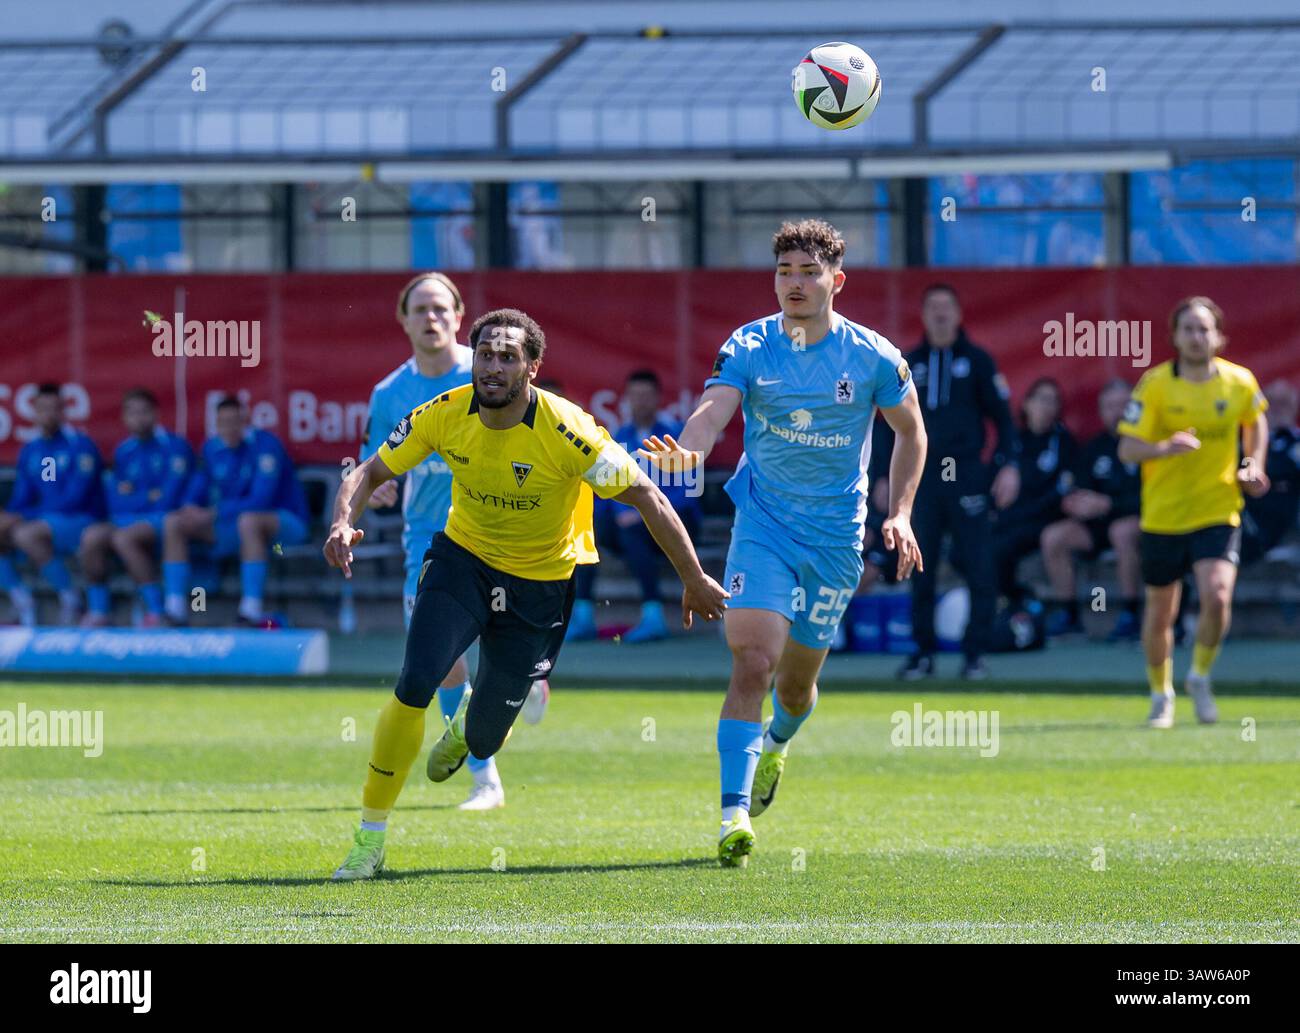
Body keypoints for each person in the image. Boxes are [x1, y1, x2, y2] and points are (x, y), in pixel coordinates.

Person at [325, 308, 728, 880]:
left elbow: (647, 495)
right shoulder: (442, 413)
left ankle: (471, 724)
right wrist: (343, 522)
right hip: (463, 563)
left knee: (485, 738)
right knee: (415, 683)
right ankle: (370, 838)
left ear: (532, 368)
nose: (493, 367)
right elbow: (368, 472)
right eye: (485, 355)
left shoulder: (570, 430)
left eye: (508, 357)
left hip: (540, 585)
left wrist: (693, 576)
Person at [641, 219, 926, 867]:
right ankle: (733, 814)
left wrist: (902, 512)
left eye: (808, 273)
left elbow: (912, 433)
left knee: (795, 690)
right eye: (784, 272)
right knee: (752, 661)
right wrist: (689, 451)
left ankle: (777, 742)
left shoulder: (874, 356)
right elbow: (713, 410)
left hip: (836, 540)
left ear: (836, 281)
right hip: (763, 525)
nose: (794, 284)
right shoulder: (749, 344)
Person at [361, 271, 544, 812]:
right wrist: (376, 490)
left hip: (503, 536)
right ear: (403, 320)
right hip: (431, 542)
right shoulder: (389, 394)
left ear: (460, 316)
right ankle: (485, 778)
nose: (431, 317)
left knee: (502, 654)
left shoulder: (490, 371)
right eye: (420, 308)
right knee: (442, 661)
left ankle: (522, 677)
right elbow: (373, 466)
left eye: (441, 307)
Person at [1116, 296, 1269, 728]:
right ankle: (1160, 694)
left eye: (1204, 329)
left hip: (1218, 508)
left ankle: (1199, 676)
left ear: (1219, 336)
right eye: (1188, 329)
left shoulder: (1239, 382)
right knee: (1160, 612)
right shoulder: (1155, 385)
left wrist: (1253, 463)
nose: (1197, 337)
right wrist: (1165, 447)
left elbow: (1256, 420)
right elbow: (1127, 448)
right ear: (1175, 337)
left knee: (1217, 596)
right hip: (1164, 516)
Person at [873, 284, 1020, 680]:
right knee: (918, 563)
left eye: (947, 307)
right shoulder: (908, 363)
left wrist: (1008, 467)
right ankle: (922, 654)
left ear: (958, 314)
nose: (940, 314)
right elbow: (887, 426)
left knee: (979, 565)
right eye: (933, 307)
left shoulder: (978, 361)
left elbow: (1004, 420)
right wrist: (883, 476)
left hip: (966, 475)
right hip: (919, 477)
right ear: (923, 315)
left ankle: (975, 655)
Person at [569, 369, 702, 644]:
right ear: (627, 400)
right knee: (591, 527)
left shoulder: (676, 434)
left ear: (658, 398)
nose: (641, 402)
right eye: (635, 396)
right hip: (629, 527)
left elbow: (689, 493)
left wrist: (643, 513)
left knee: (632, 530)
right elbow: (603, 490)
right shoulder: (618, 436)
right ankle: (582, 615)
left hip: (679, 524)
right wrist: (622, 513)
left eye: (646, 396)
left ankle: (654, 617)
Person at [162, 395, 309, 626]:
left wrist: (213, 513)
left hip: (284, 530)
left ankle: (250, 611)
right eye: (223, 422)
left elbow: (261, 500)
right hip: (232, 524)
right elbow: (199, 485)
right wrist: (190, 507)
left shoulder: (266, 446)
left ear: (245, 421)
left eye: (234, 422)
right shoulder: (212, 448)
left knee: (249, 522)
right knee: (174, 522)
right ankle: (174, 611)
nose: (229, 428)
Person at [77, 388, 194, 627]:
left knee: (123, 539)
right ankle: (99, 611)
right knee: (91, 537)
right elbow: (115, 501)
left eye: (144, 412)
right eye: (132, 413)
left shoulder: (175, 446)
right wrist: (148, 495)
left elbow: (168, 499)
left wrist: (136, 496)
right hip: (126, 518)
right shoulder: (124, 451)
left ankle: (157, 611)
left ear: (156, 414)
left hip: (162, 520)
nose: (139, 418)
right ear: (124, 418)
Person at [1039, 379, 1143, 640]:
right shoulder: (1094, 448)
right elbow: (1077, 488)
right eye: (1110, 406)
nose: (1118, 412)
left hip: (1139, 522)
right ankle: (1069, 616)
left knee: (1121, 532)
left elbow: (1156, 497)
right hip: (1097, 526)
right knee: (1053, 537)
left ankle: (1131, 614)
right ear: (1101, 411)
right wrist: (1077, 504)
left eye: (1124, 405)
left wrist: (1110, 504)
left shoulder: (1148, 444)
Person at [0, 383, 105, 626]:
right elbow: (23, 496)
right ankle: (21, 600)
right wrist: (10, 514)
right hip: (45, 519)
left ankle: (71, 599)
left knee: (26, 534)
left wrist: (26, 516)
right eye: (42, 409)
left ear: (63, 411)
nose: (48, 414)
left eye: (53, 408)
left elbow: (75, 498)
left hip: (80, 519)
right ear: (34, 413)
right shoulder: (32, 450)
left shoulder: (80, 445)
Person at [991, 377, 1078, 607]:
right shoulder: (1012, 441)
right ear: (1027, 404)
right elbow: (992, 482)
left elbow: (1062, 491)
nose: (1047, 407)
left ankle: (1017, 601)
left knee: (999, 549)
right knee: (964, 549)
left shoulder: (1063, 442)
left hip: (1041, 520)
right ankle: (1012, 601)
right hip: (1006, 518)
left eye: (1053, 401)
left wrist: (1018, 514)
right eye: (1042, 399)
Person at [1240, 380, 1299, 565]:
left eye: (1284, 403)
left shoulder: (1295, 443)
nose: (1277, 409)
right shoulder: (1241, 443)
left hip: (1289, 519)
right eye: (1272, 403)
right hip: (1250, 518)